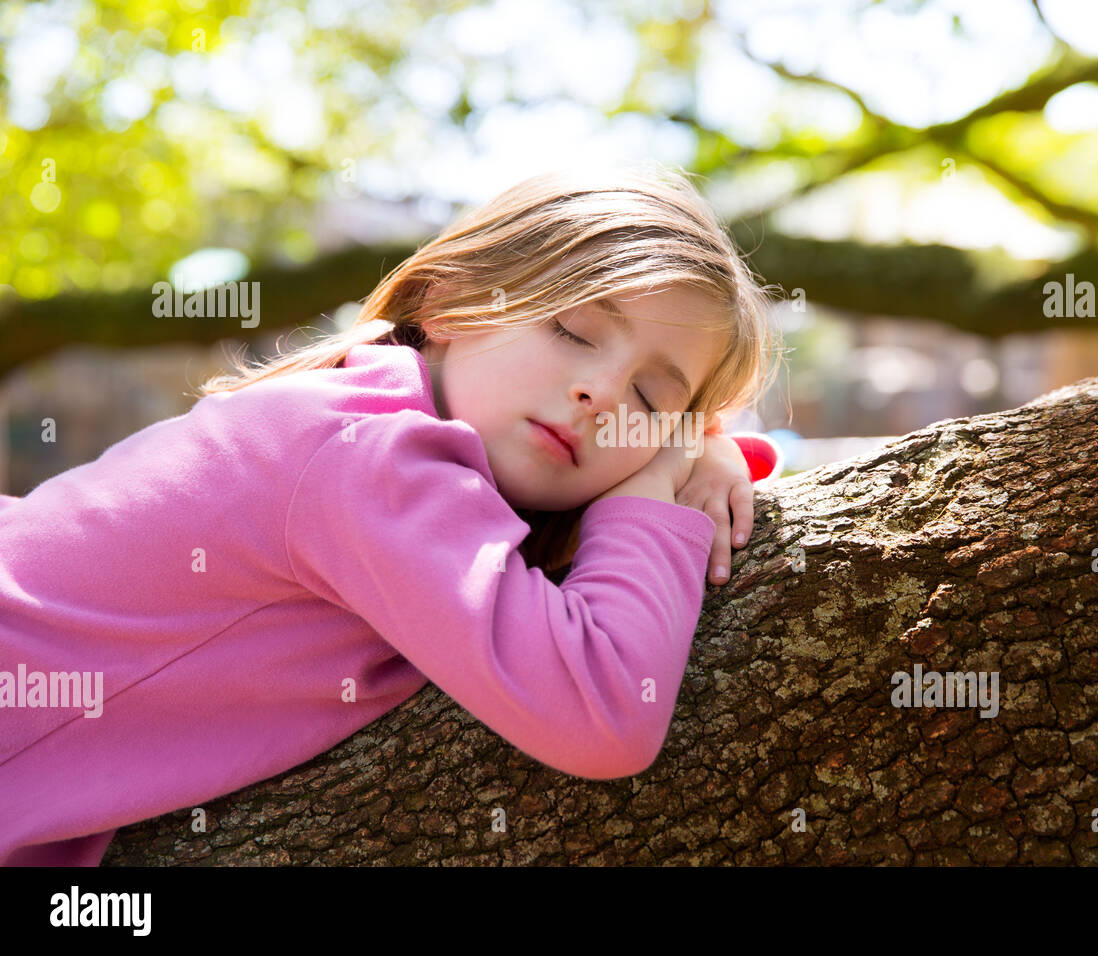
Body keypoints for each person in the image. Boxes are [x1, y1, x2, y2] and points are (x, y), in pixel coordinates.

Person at [0, 162, 786, 866]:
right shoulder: (369, 455)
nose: (606, 395)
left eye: (652, 397)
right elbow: (606, 707)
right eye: (573, 329)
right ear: (449, 303)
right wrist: (664, 463)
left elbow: (724, 503)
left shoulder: (394, 439)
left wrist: (693, 448)